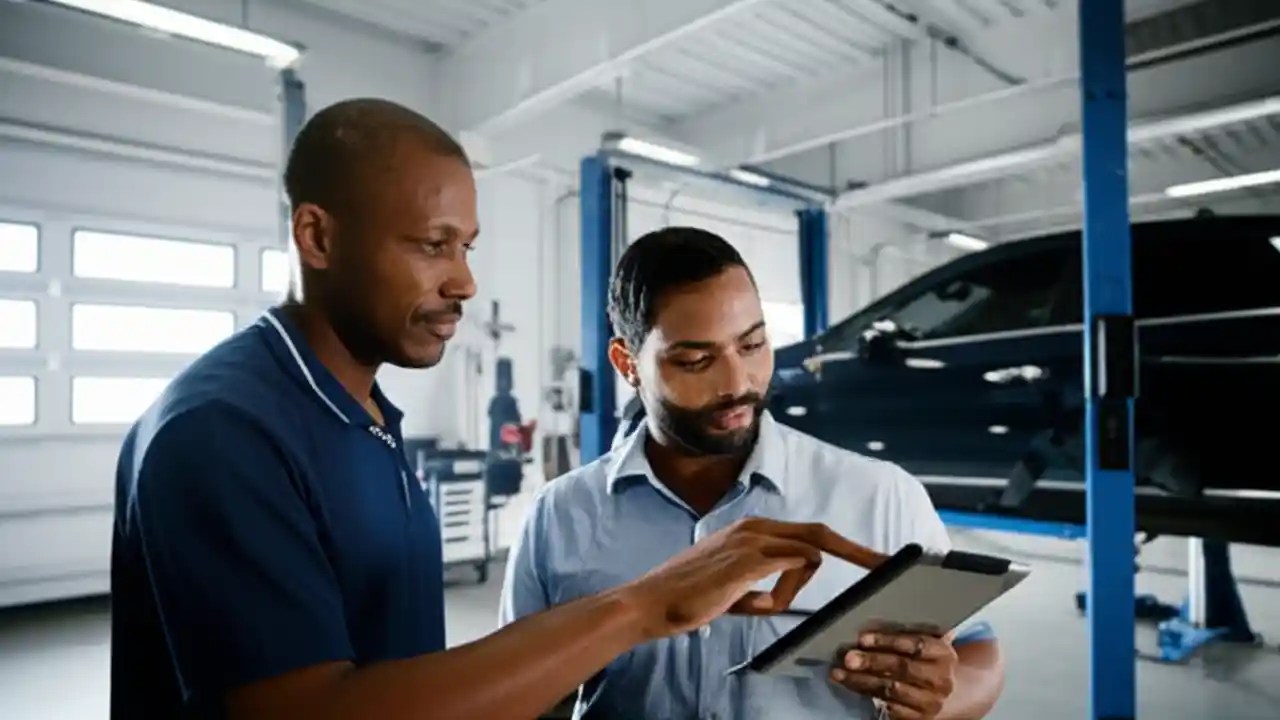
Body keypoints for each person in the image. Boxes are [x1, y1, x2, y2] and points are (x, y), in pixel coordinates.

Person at [108, 100, 886, 720]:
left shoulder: (362, 416)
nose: (464, 282)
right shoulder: (223, 432)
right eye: (431, 244)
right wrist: (639, 608)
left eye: (468, 247)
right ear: (318, 236)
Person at [499, 227, 1006, 719]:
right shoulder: (560, 516)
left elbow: (978, 650)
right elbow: (514, 690)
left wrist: (939, 696)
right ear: (627, 363)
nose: (737, 383)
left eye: (752, 345)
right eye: (696, 360)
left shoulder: (879, 496)